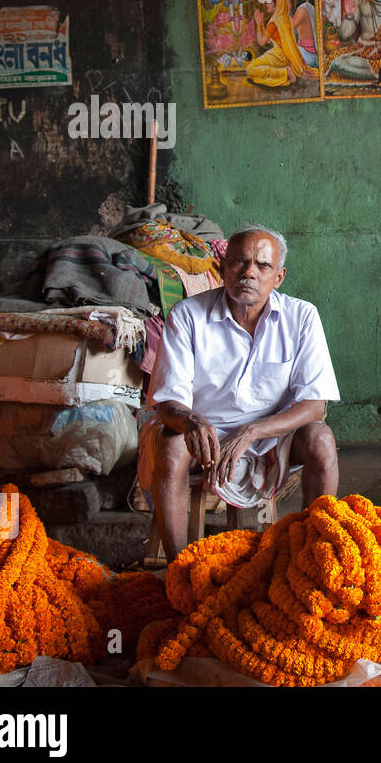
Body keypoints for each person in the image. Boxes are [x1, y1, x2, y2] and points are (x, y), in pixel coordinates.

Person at [141, 224, 340, 562]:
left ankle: (313, 557)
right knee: (170, 444)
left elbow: (314, 405)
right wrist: (190, 420)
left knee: (320, 439)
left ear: (278, 277)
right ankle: (180, 569)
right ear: (222, 269)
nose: (250, 273)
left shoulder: (302, 317)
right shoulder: (188, 316)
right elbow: (167, 403)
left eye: (263, 266)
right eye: (239, 262)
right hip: (202, 435)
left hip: (271, 437)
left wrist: (252, 431)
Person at [246, 0, 308, 88]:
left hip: (278, 56)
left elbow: (261, 42)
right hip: (284, 56)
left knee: (250, 70)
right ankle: (284, 71)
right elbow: (269, 41)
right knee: (257, 74)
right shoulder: (285, 19)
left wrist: (258, 24)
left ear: (276, 4)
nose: (267, 4)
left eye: (269, 2)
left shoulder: (274, 23)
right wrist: (262, 24)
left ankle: (285, 72)